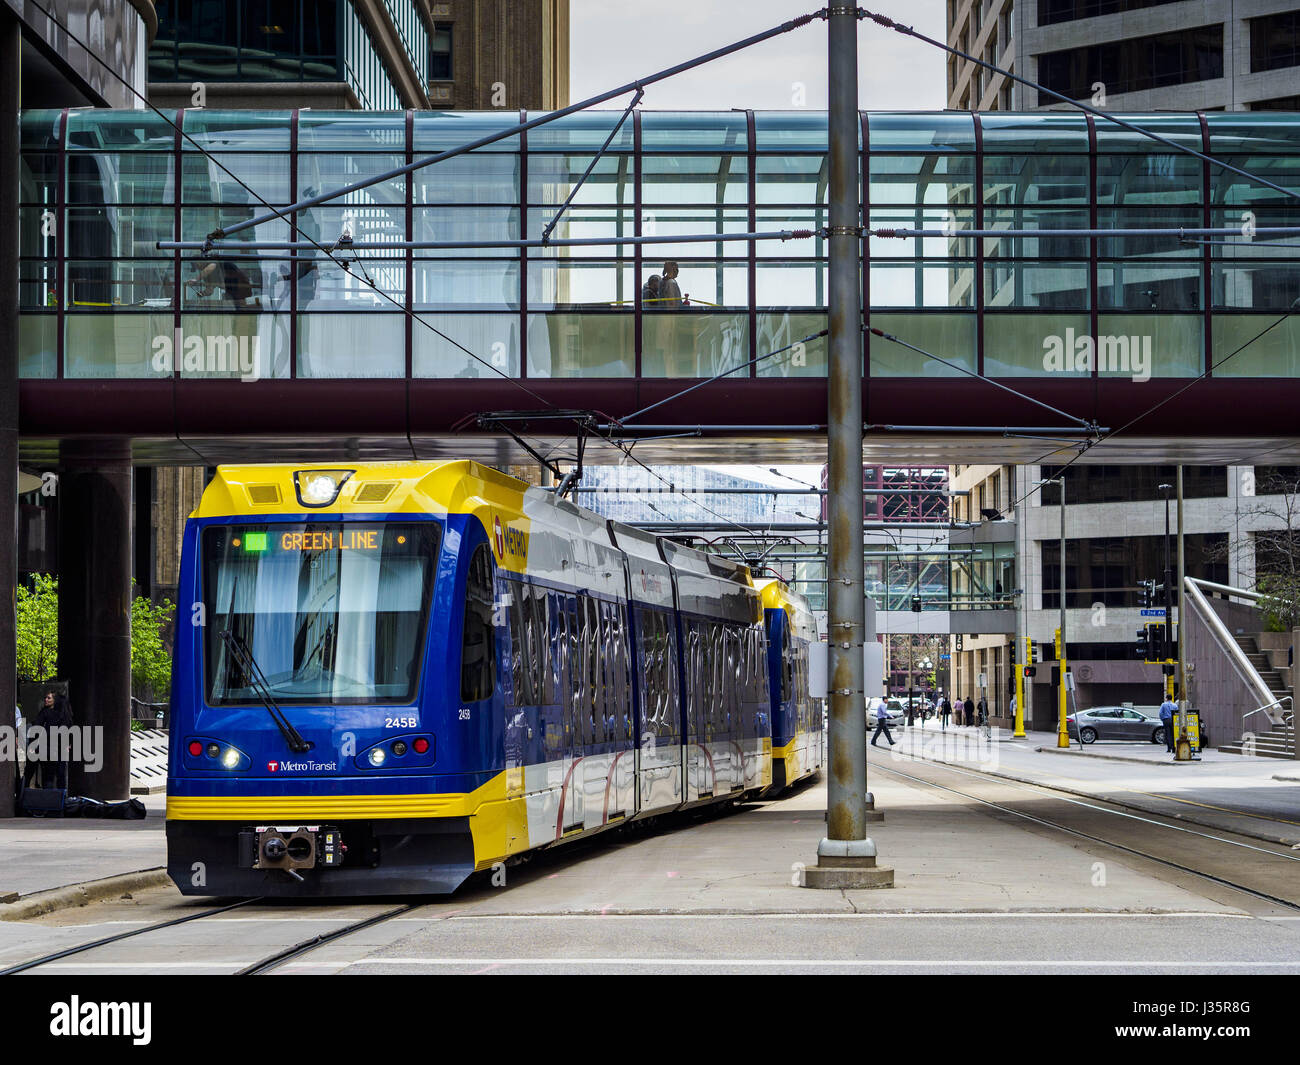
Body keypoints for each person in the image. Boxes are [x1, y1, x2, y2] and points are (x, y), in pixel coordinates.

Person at [23, 690, 73, 791]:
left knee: (58, 773)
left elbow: (68, 729)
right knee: (48, 774)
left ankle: (59, 799)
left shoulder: (62, 713)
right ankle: (48, 798)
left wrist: (68, 743)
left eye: (49, 698)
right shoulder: (44, 712)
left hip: (56, 747)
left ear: (55, 700)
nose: (46, 700)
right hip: (47, 747)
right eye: (46, 698)